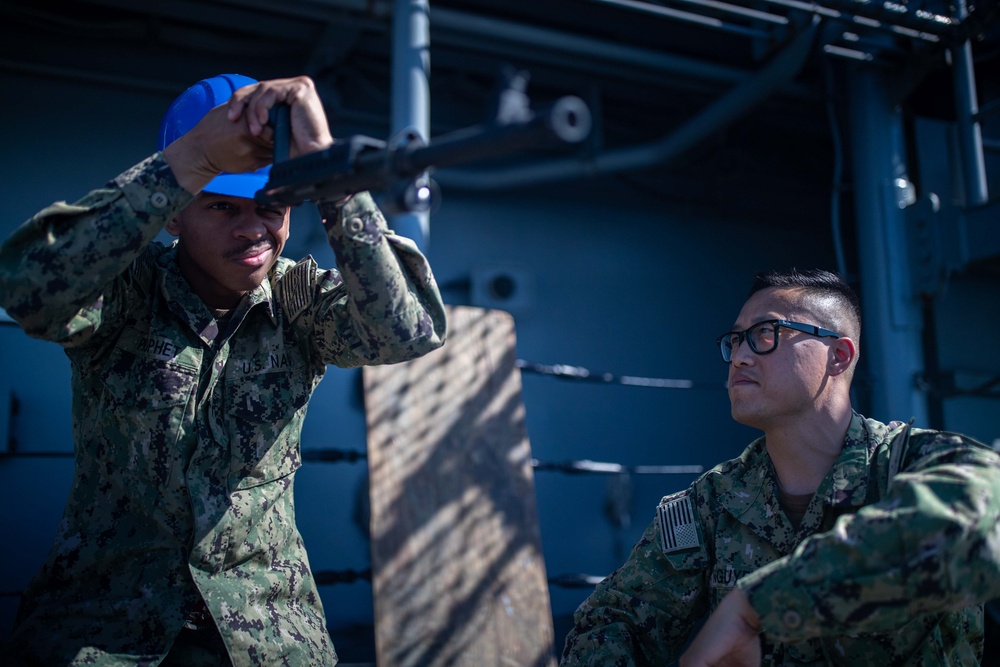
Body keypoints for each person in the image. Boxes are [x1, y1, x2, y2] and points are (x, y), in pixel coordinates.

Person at [0, 73, 447, 665]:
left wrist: (331, 175)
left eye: (270, 206)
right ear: (174, 215)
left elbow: (408, 330)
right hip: (102, 628)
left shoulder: (299, 300)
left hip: (269, 632)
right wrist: (191, 158)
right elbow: (28, 287)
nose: (253, 230)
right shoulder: (126, 293)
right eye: (220, 206)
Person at [559, 268, 1000, 666]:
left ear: (839, 356)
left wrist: (758, 605)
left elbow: (979, 522)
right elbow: (617, 620)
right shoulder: (708, 503)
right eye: (735, 340)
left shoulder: (912, 464)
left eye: (765, 334)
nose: (740, 357)